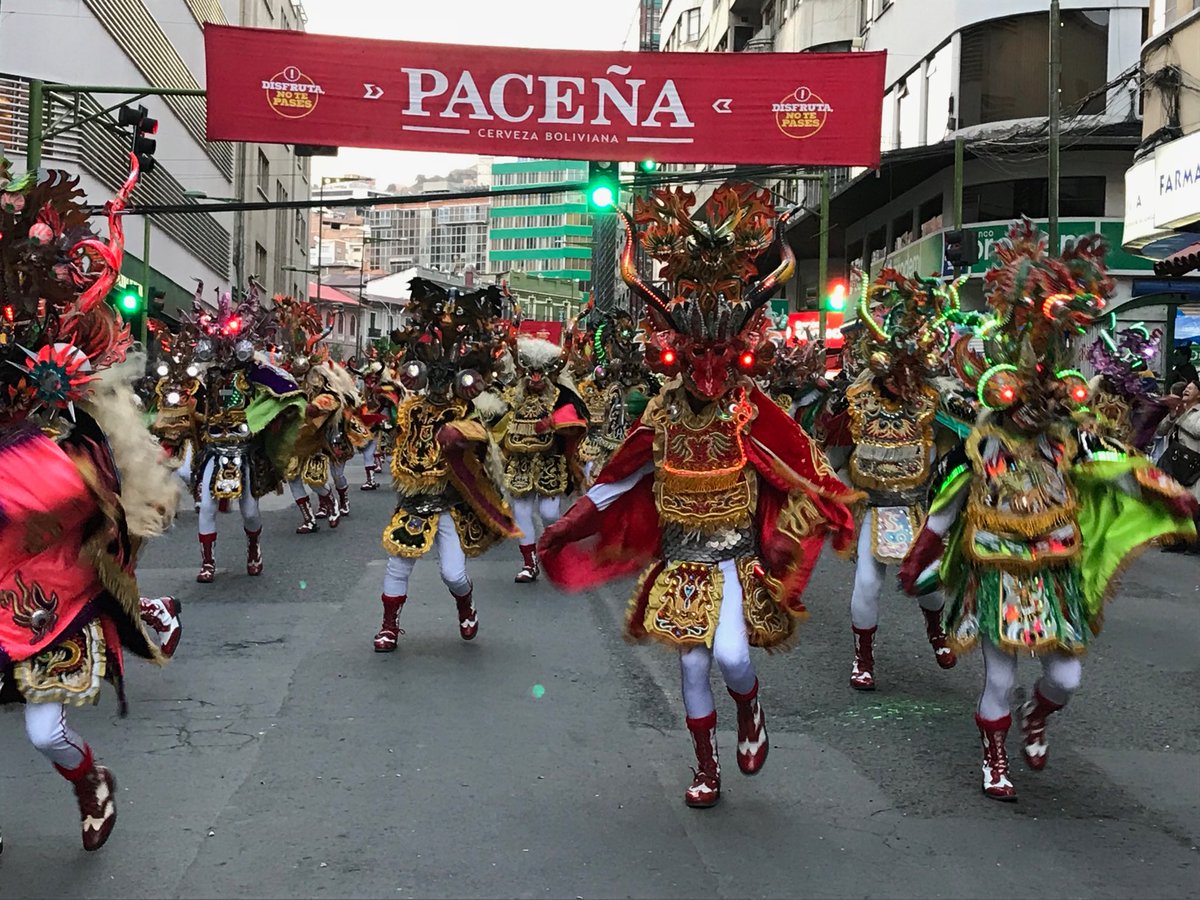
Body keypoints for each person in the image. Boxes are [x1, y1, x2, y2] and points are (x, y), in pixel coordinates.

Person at [538, 184, 861, 809]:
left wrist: (821, 508)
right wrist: (562, 530)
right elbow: (614, 487)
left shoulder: (749, 412)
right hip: (683, 560)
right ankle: (706, 765)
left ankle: (750, 706)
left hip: (734, 558)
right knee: (691, 666)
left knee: (735, 659)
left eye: (721, 354)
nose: (709, 370)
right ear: (678, 355)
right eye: (698, 354)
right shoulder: (659, 420)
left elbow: (797, 466)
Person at [899, 219, 1197, 802]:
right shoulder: (982, 447)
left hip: (1055, 571)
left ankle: (1039, 717)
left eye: (1045, 404)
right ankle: (994, 761)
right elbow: (942, 511)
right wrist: (919, 560)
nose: (1035, 416)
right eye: (1025, 404)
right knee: (1000, 676)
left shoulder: (1069, 442)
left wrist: (1172, 495)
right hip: (998, 572)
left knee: (1065, 677)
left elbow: (1115, 472)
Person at [0, 151, 184, 851]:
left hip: (51, 574)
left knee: (46, 729)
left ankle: (88, 780)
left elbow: (76, 480)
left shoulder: (69, 404)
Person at [825, 271, 960, 690]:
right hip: (874, 506)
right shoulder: (854, 401)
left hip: (917, 507)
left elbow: (957, 451)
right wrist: (838, 494)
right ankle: (862, 657)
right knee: (867, 583)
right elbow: (834, 458)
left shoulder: (934, 402)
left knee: (929, 584)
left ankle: (936, 629)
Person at [372, 279, 520, 650]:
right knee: (398, 562)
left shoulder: (468, 409)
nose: (437, 390)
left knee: (453, 574)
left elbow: (488, 432)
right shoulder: (413, 408)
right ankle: (389, 626)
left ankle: (465, 604)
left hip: (450, 504)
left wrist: (460, 435)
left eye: (444, 383)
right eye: (430, 381)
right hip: (413, 501)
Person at [186, 283, 306, 582]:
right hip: (214, 447)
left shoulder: (252, 373)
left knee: (250, 511)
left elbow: (288, 386)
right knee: (206, 508)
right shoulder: (208, 375)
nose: (225, 353)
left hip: (242, 449)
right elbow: (187, 395)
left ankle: (254, 548)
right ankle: (207, 563)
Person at [493, 335, 588, 583]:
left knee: (548, 513)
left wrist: (554, 423)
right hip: (520, 463)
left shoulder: (561, 396)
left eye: (540, 373)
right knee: (521, 513)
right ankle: (529, 563)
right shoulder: (513, 395)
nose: (535, 378)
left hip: (549, 462)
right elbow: (497, 421)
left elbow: (575, 422)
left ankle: (557, 549)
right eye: (531, 373)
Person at [1157, 377, 1200, 552]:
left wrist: (1181, 417)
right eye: (1186, 388)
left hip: (1193, 465)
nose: (1186, 390)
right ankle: (1178, 540)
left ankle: (1193, 542)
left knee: (1193, 504)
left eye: (1191, 388)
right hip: (1176, 463)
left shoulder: (1196, 412)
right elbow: (1161, 430)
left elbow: (1198, 431)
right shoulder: (1180, 410)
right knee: (1177, 502)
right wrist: (1173, 415)